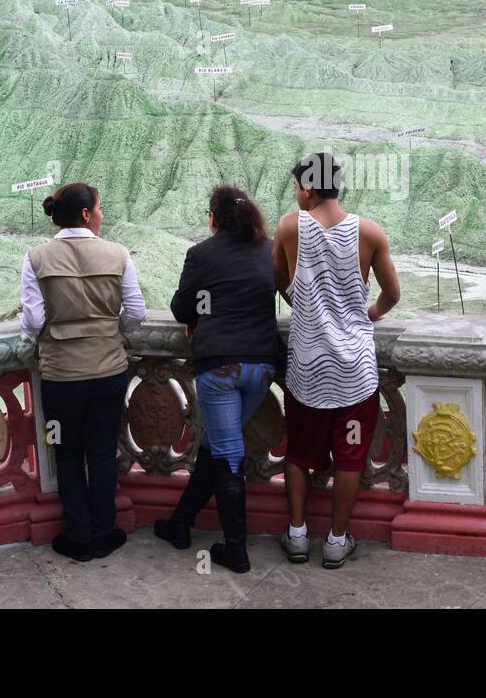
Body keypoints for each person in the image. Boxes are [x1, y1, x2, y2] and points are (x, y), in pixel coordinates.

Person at [272, 153, 400, 569]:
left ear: (307, 188)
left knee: (298, 453)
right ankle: (336, 540)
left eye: (297, 188)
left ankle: (296, 535)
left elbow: (280, 280)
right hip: (354, 372)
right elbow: (392, 295)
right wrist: (366, 316)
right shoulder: (370, 232)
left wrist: (304, 306)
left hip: (307, 367)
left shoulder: (290, 226)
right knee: (349, 457)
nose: (296, 195)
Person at [157, 186, 283, 573]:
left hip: (220, 367)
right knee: (216, 446)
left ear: (213, 218)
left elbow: (181, 308)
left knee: (227, 454)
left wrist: (201, 315)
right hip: (262, 366)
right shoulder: (271, 249)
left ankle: (236, 551)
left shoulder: (202, 254)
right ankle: (180, 524)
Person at [20, 183, 146, 563]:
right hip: (109, 372)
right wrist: (111, 333)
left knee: (67, 455)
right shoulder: (118, 254)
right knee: (104, 452)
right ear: (87, 215)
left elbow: (33, 319)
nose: (103, 214)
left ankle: (77, 535)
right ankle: (105, 530)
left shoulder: (36, 258)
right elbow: (137, 313)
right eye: (101, 208)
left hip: (60, 376)